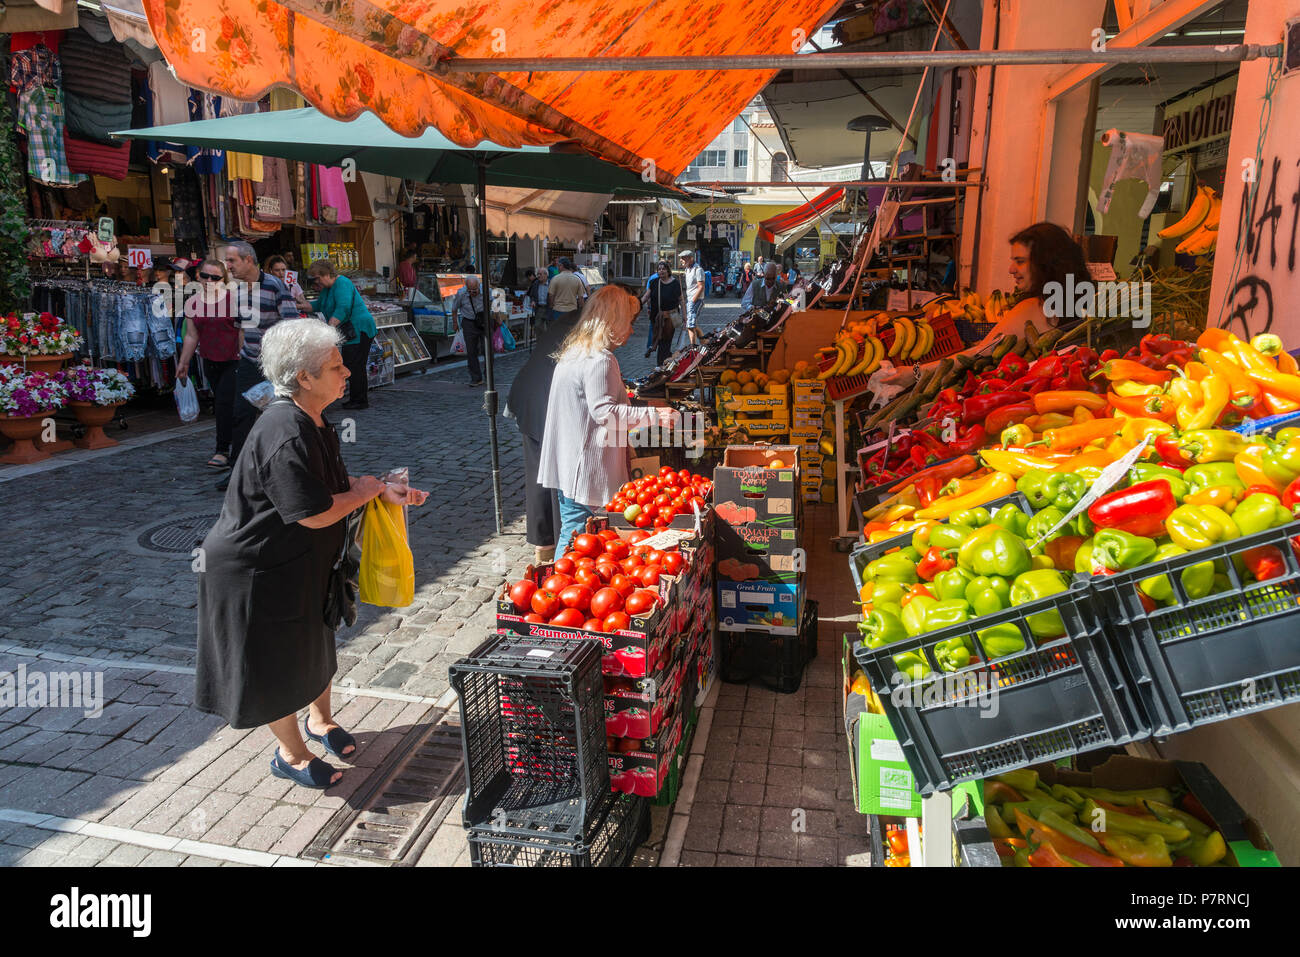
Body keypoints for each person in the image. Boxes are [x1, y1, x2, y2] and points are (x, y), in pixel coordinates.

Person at [194, 318, 428, 790]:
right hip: (257, 570)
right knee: (275, 664)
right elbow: (314, 513)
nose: (347, 372)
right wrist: (364, 493)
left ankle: (319, 721)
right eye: (336, 366)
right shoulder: (285, 428)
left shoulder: (313, 417)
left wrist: (382, 490)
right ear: (304, 376)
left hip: (301, 563)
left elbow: (332, 487)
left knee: (315, 643)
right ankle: (291, 754)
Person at [538, 287, 676, 553]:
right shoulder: (600, 360)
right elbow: (605, 413)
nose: (632, 330)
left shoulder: (575, 353)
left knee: (573, 535)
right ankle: (560, 585)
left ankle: (560, 582)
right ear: (614, 320)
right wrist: (655, 415)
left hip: (569, 466)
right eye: (630, 321)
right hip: (587, 471)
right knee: (576, 541)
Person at [506, 301, 584, 565]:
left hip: (533, 392)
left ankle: (545, 544)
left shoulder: (573, 318)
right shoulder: (589, 326)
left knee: (540, 472)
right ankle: (558, 547)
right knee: (553, 476)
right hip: (545, 397)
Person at [222, 239, 300, 489]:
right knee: (241, 416)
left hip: (273, 365)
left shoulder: (274, 285)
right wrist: (240, 356)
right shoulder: (237, 290)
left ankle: (283, 469)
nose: (228, 265)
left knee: (278, 418)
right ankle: (238, 473)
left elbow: (291, 326)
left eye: (232, 260)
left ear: (248, 260)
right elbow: (241, 328)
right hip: (249, 361)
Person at [976, 222, 1090, 348]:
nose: (1011, 269)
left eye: (1020, 261)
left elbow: (980, 352)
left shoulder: (1033, 308)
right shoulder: (1082, 303)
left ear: (1045, 263)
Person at [177, 257, 242, 468]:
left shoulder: (234, 300)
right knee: (227, 404)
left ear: (223, 279)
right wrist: (184, 362)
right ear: (198, 276)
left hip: (234, 360)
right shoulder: (192, 302)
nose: (209, 280)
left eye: (215, 277)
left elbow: (241, 330)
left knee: (223, 403)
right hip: (209, 360)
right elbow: (191, 335)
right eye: (205, 276)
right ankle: (241, 443)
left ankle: (222, 450)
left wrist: (243, 354)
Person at [308, 258, 378, 410]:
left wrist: (330, 327)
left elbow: (343, 307)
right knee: (351, 364)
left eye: (317, 278)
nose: (316, 282)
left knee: (355, 365)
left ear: (326, 274)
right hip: (350, 331)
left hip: (359, 329)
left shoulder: (342, 283)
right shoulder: (328, 289)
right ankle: (356, 398)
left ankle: (359, 400)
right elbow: (318, 305)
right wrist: (300, 304)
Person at [641, 260, 682, 366]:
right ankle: (668, 358)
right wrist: (637, 305)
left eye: (663, 269)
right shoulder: (654, 282)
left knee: (665, 341)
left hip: (671, 317)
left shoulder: (675, 283)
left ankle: (661, 364)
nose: (661, 271)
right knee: (659, 340)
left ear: (668, 270)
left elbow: (681, 300)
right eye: (659, 269)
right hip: (657, 318)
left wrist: (685, 317)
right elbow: (646, 296)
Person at [451, 275, 488, 387]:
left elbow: (497, 302)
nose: (473, 292)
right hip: (469, 322)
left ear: (479, 286)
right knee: (471, 351)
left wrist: (498, 317)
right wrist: (455, 323)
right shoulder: (461, 293)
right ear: (466, 287)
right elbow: (454, 308)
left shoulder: (487, 291)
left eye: (475, 290)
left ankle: (489, 376)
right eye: (470, 290)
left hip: (484, 321)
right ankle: (476, 378)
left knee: (488, 350)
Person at [548, 256, 586, 325]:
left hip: (558, 310)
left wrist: (551, 306)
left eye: (558, 266)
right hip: (572, 310)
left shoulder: (555, 279)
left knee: (558, 332)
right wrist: (581, 310)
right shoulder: (577, 279)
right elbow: (581, 298)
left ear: (561, 266)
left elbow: (551, 295)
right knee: (569, 333)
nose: (557, 268)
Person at [679, 250, 705, 347]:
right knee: (692, 323)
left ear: (691, 258)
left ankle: (693, 346)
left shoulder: (698, 270)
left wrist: (693, 301)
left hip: (696, 300)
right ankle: (703, 340)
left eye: (683, 258)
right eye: (681, 258)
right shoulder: (687, 269)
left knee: (690, 325)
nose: (681, 260)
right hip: (690, 300)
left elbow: (701, 286)